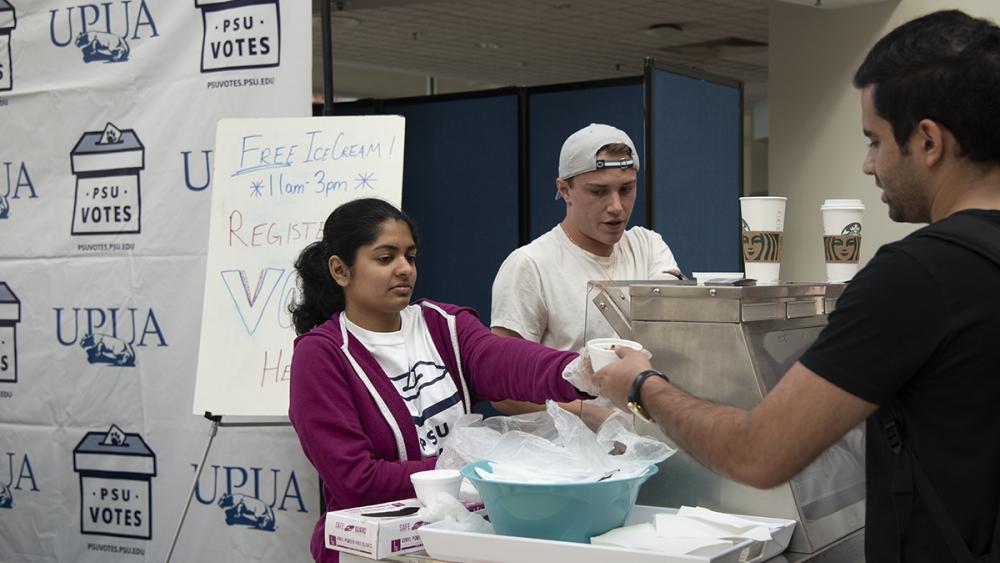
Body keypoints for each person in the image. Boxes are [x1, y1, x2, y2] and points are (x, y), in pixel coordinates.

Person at [592, 10, 1000, 562]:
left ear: (928, 140)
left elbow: (760, 454)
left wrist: (643, 385)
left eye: (875, 140)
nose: (868, 164)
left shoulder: (916, 277)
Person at [287, 198, 588, 562]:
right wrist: (469, 468)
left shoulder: (444, 325)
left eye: (410, 256)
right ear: (340, 270)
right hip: (373, 553)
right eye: (385, 258)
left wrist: (580, 371)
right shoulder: (323, 355)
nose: (404, 269)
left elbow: (506, 361)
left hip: (454, 542)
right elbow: (357, 481)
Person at [490, 123, 681, 420]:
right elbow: (500, 388)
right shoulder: (530, 266)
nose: (616, 207)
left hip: (641, 442)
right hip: (565, 455)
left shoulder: (647, 247)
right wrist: (584, 414)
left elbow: (676, 327)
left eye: (626, 189)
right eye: (599, 191)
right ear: (564, 189)